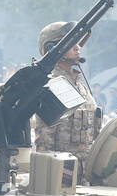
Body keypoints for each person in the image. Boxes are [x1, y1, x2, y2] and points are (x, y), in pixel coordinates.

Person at [32, 20, 100, 183]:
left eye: (78, 42)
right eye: (72, 43)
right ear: (52, 49)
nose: (78, 47)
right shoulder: (51, 84)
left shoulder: (80, 84)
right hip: (62, 178)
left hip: (85, 175)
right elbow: (45, 141)